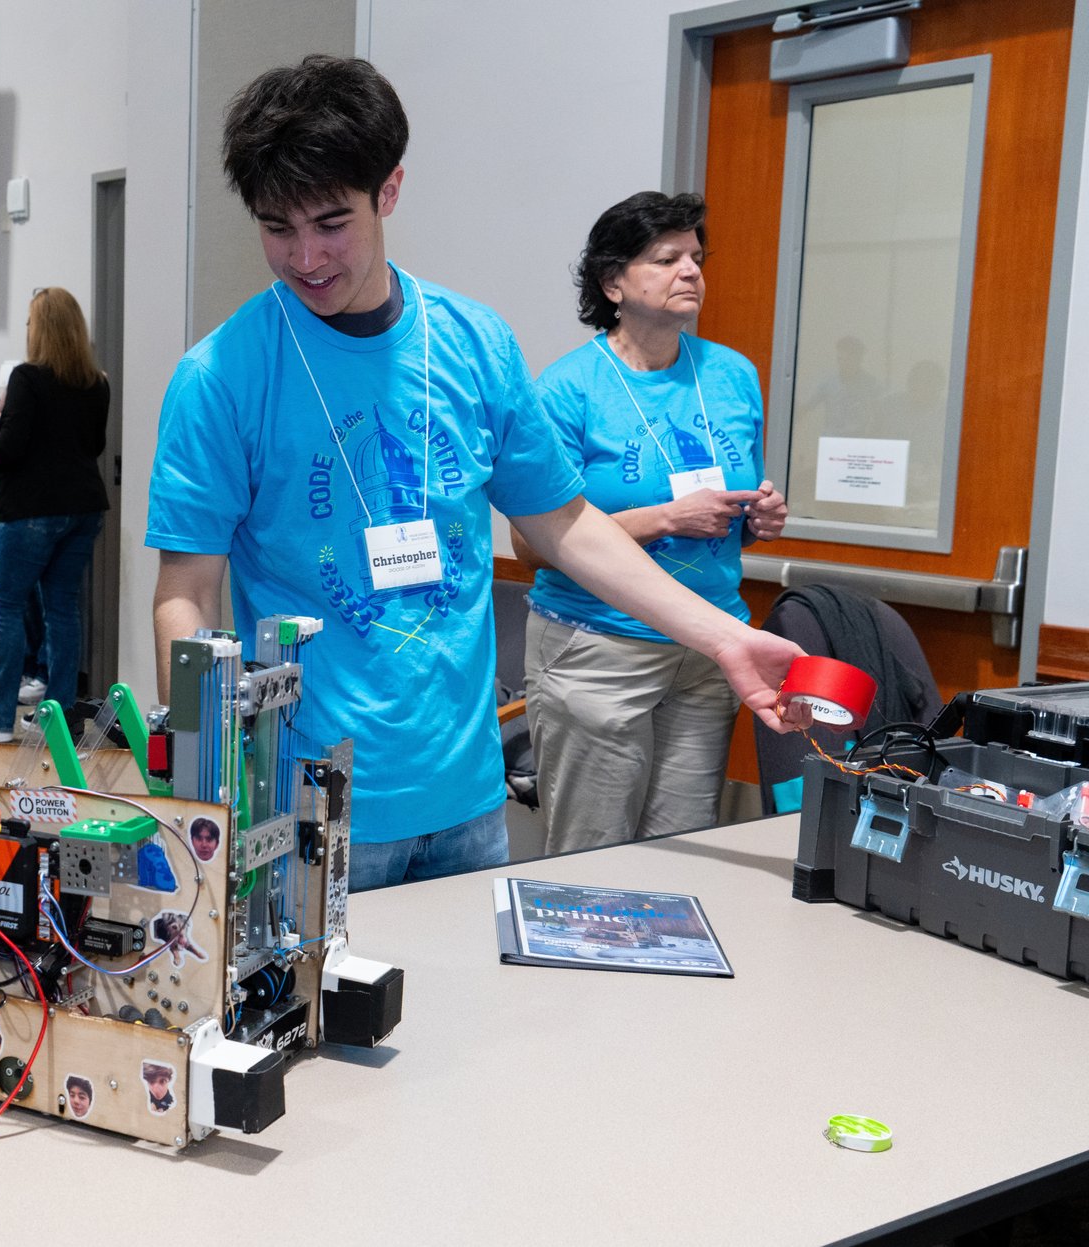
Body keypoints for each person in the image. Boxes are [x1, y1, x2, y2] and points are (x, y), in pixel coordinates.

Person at [145, 56, 803, 892]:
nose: (306, 256)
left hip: (468, 800)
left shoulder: (474, 343)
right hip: (307, 804)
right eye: (278, 228)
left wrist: (724, 636)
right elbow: (187, 593)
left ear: (389, 191)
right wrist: (202, 793)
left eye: (331, 222)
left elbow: (567, 525)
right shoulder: (223, 376)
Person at [512, 192, 788, 855]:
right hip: (600, 648)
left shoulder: (732, 375)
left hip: (708, 646)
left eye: (696, 256)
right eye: (666, 258)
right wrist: (668, 515)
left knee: (682, 853)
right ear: (613, 283)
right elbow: (529, 543)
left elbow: (729, 510)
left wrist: (759, 517)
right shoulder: (567, 389)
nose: (690, 270)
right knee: (593, 857)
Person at [0, 286, 110, 742]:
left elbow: (10, 450)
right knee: (62, 609)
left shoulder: (28, 378)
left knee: (5, 605)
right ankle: (63, 715)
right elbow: (92, 447)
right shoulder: (98, 382)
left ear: (42, 329)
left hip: (30, 511)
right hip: (84, 509)